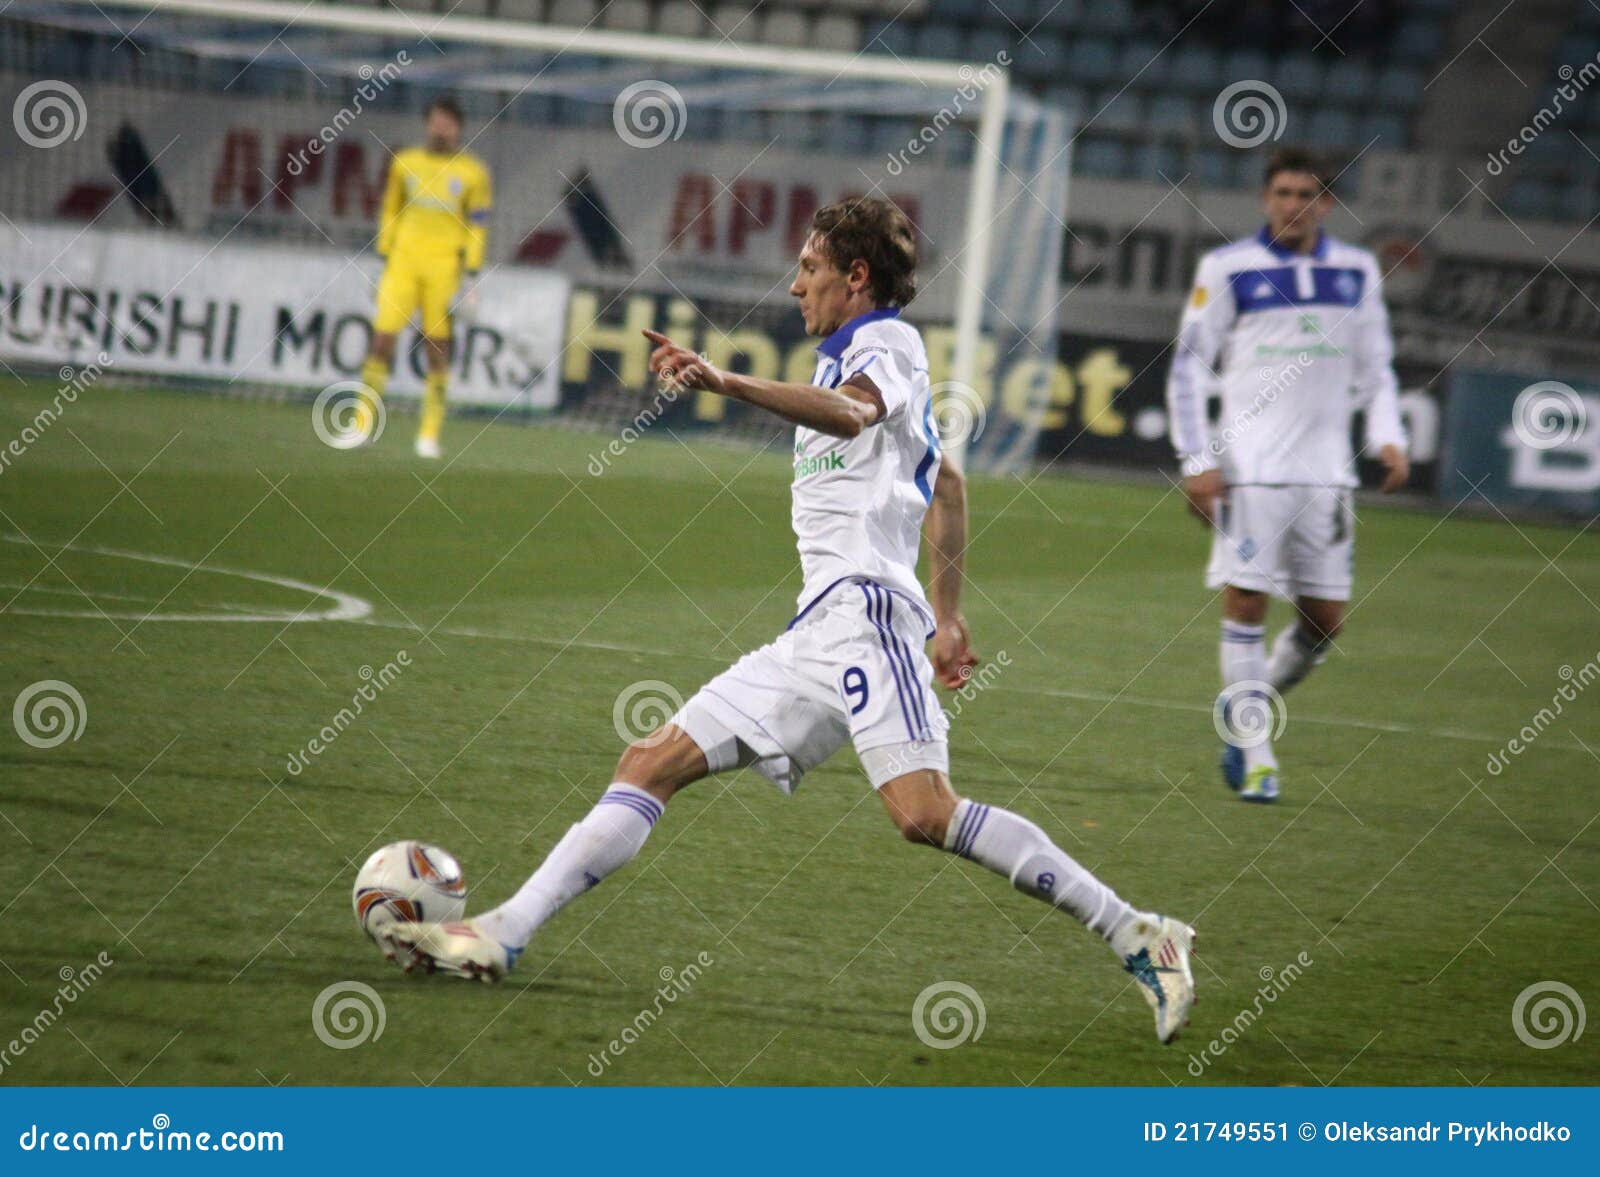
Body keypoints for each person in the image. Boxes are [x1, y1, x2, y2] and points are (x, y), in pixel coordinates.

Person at [381, 198, 1196, 1044]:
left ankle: (1140, 932)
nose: (795, 282)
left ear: (856, 277)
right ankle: (503, 933)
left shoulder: (884, 344)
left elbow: (851, 414)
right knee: (650, 760)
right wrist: (950, 617)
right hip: (820, 629)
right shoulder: (856, 357)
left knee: (923, 811)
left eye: (810, 268)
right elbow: (947, 484)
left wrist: (725, 379)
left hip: (869, 618)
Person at [1165, 148, 1410, 803]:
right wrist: (1198, 459)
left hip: (1326, 475)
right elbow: (1189, 367)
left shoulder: (1356, 271)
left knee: (1325, 623)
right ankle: (1257, 751)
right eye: (1281, 192)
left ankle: (1247, 706)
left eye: (1306, 193)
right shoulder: (1227, 269)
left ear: (1327, 203)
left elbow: (1377, 368)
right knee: (1246, 601)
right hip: (1250, 469)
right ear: (1265, 198)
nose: (1292, 204)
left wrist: (1388, 435)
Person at [355, 95, 491, 459]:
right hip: (402, 262)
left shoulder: (473, 173)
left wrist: (471, 275)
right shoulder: (405, 163)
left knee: (436, 349)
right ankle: (361, 423)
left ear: (458, 128)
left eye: (448, 122)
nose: (440, 128)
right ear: (427, 123)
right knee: (382, 340)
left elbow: (477, 227)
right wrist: (382, 257)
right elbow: (390, 210)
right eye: (435, 121)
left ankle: (428, 434)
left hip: (443, 269)